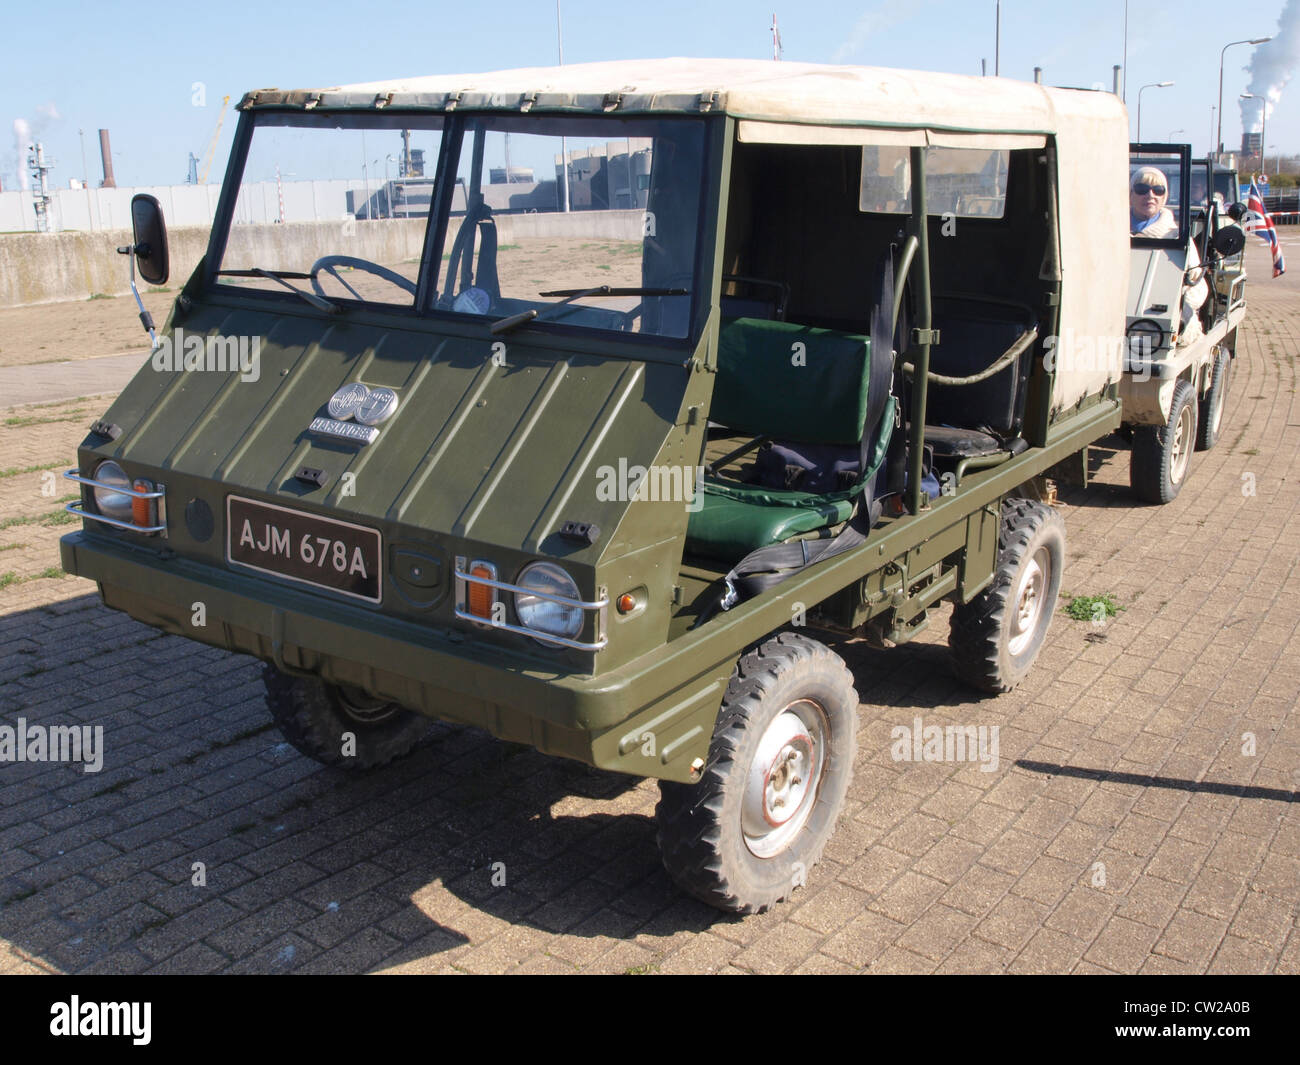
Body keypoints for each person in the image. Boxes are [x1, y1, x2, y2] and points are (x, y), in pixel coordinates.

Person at [1130, 166, 1178, 237]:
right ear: (1130, 194)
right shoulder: (1111, 229)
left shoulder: (1176, 235)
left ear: (1164, 197)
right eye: (1142, 189)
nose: (1150, 195)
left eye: (1158, 190)